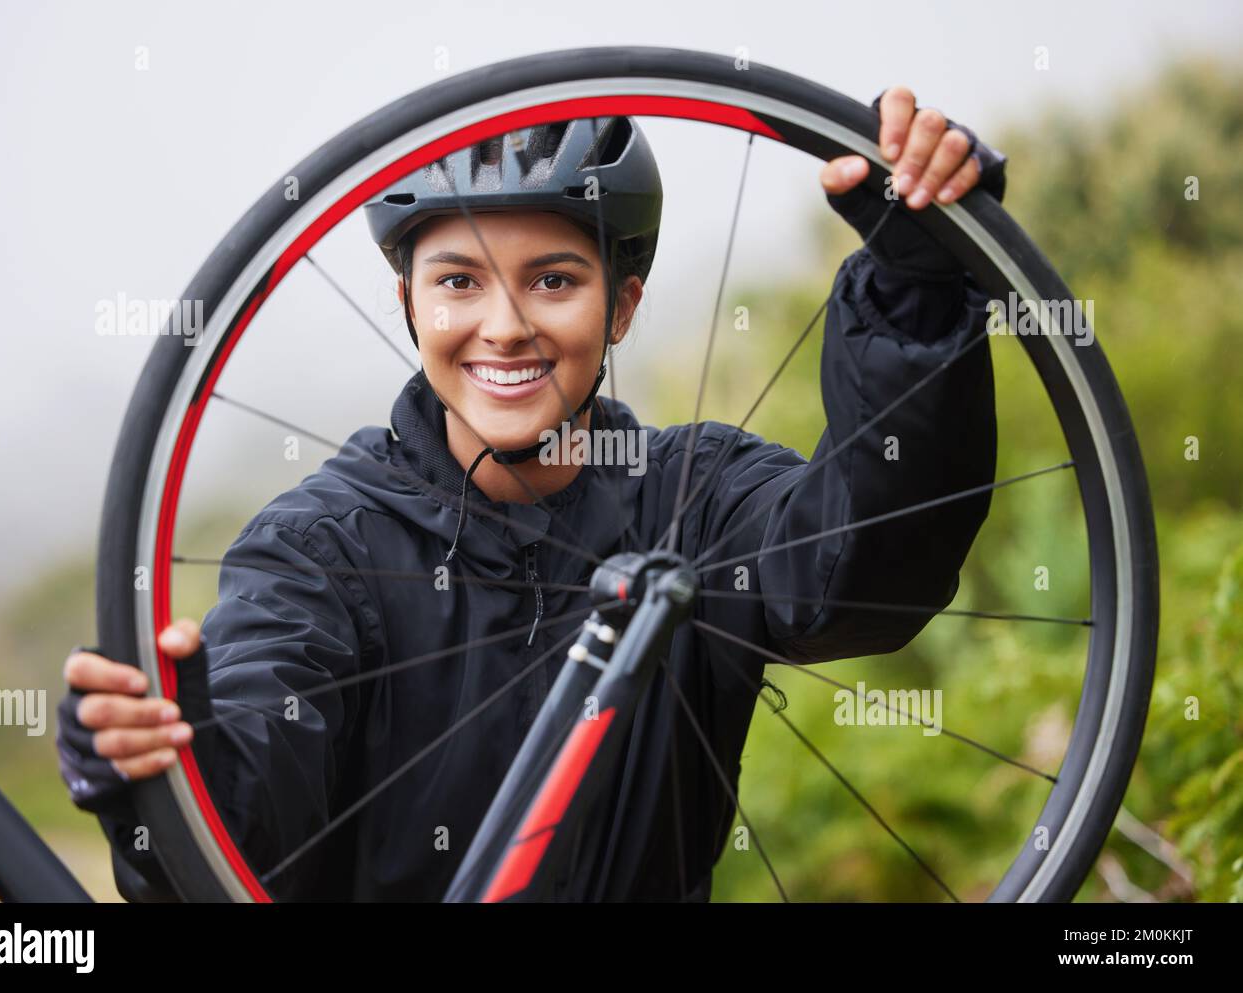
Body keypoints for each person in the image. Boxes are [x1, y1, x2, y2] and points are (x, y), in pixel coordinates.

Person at [57, 87, 1004, 901]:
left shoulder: (700, 497)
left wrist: (915, 287)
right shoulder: (319, 550)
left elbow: (866, 571)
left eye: (554, 280)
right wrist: (169, 764)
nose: (503, 328)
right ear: (409, 305)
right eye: (459, 281)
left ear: (623, 305)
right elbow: (245, 834)